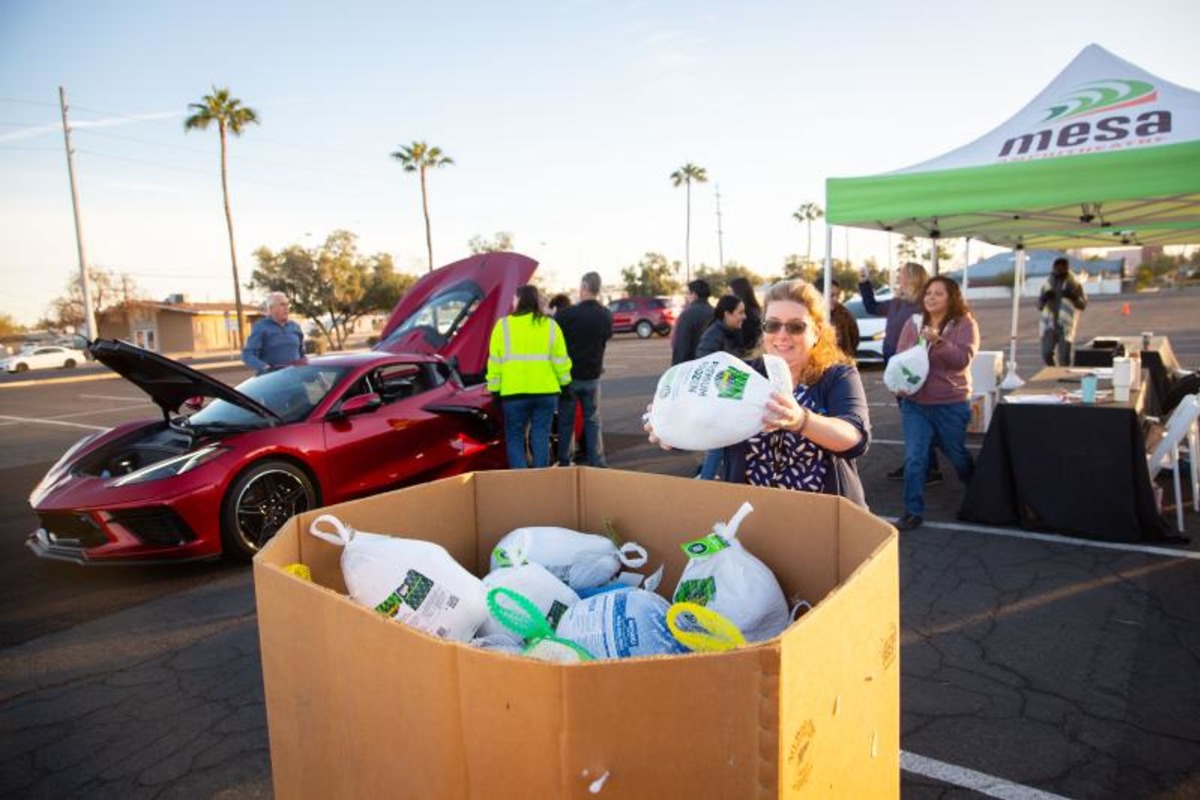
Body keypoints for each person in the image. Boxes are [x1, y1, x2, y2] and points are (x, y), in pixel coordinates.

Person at [647, 280, 872, 506]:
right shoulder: (745, 374)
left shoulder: (837, 376)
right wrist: (670, 427)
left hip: (823, 518)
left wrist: (801, 420)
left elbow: (855, 438)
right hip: (751, 517)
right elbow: (708, 418)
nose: (782, 335)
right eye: (773, 325)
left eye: (796, 326)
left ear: (817, 332)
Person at [892, 276, 979, 531]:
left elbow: (962, 359)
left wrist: (938, 342)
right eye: (928, 293)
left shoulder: (964, 323)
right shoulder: (913, 323)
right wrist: (898, 383)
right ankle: (913, 511)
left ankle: (978, 490)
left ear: (951, 297)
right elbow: (900, 358)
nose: (930, 297)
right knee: (915, 457)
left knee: (957, 454)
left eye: (938, 293)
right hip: (915, 403)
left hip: (950, 403)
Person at [858, 261, 942, 484]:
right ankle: (919, 463)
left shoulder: (925, 306)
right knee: (911, 418)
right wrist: (864, 283)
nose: (898, 277)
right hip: (895, 367)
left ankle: (929, 468)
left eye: (901, 274)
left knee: (917, 418)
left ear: (912, 278)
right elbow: (871, 307)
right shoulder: (897, 303)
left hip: (912, 369)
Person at [487, 285, 572, 469]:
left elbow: (495, 364)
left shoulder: (502, 327)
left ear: (517, 300)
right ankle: (539, 480)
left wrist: (494, 391)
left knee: (515, 437)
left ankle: (522, 482)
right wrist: (565, 385)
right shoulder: (550, 326)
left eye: (514, 299)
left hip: (513, 395)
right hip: (546, 392)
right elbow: (561, 360)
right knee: (540, 435)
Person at [555, 272, 613, 467]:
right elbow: (605, 338)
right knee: (593, 420)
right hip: (593, 376)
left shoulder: (567, 315)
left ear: (585, 287)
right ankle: (598, 461)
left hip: (569, 377)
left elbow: (555, 340)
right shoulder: (605, 315)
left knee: (566, 421)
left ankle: (565, 461)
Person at [695, 294, 747, 480]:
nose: (744, 316)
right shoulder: (713, 336)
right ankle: (705, 484)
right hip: (718, 402)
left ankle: (707, 478)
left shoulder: (732, 332)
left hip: (729, 401)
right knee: (716, 449)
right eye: (740, 312)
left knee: (722, 448)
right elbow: (705, 369)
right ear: (727, 314)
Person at [1037, 256, 1088, 367]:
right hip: (1049, 325)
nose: (1059, 270)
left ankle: (1062, 379)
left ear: (1067, 268)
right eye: (1057, 268)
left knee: (1064, 358)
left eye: (1062, 268)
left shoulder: (1074, 284)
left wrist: (1073, 296)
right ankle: (1052, 371)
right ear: (1053, 268)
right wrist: (1044, 298)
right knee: (1046, 353)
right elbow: (1039, 306)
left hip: (1065, 325)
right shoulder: (1047, 284)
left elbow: (1083, 304)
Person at [242, 291, 304, 374]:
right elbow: (248, 355)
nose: (286, 308)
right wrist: (265, 367)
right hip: (272, 380)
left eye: (287, 304)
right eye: (282, 305)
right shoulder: (261, 327)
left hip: (294, 378)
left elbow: (301, 354)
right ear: (271, 308)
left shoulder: (295, 326)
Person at [815, 276, 859, 359]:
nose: (835, 299)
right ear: (818, 294)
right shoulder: (809, 315)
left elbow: (854, 338)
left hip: (842, 363)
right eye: (831, 295)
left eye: (837, 295)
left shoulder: (844, 314)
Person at [670, 279, 713, 365]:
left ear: (694, 295)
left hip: (692, 365)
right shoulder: (715, 312)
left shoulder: (686, 315)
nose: (687, 296)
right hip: (711, 365)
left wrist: (675, 368)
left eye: (688, 293)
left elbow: (682, 346)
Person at [728, 276, 763, 353]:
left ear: (738, 292)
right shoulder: (755, 310)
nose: (729, 296)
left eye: (730, 292)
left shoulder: (745, 314)